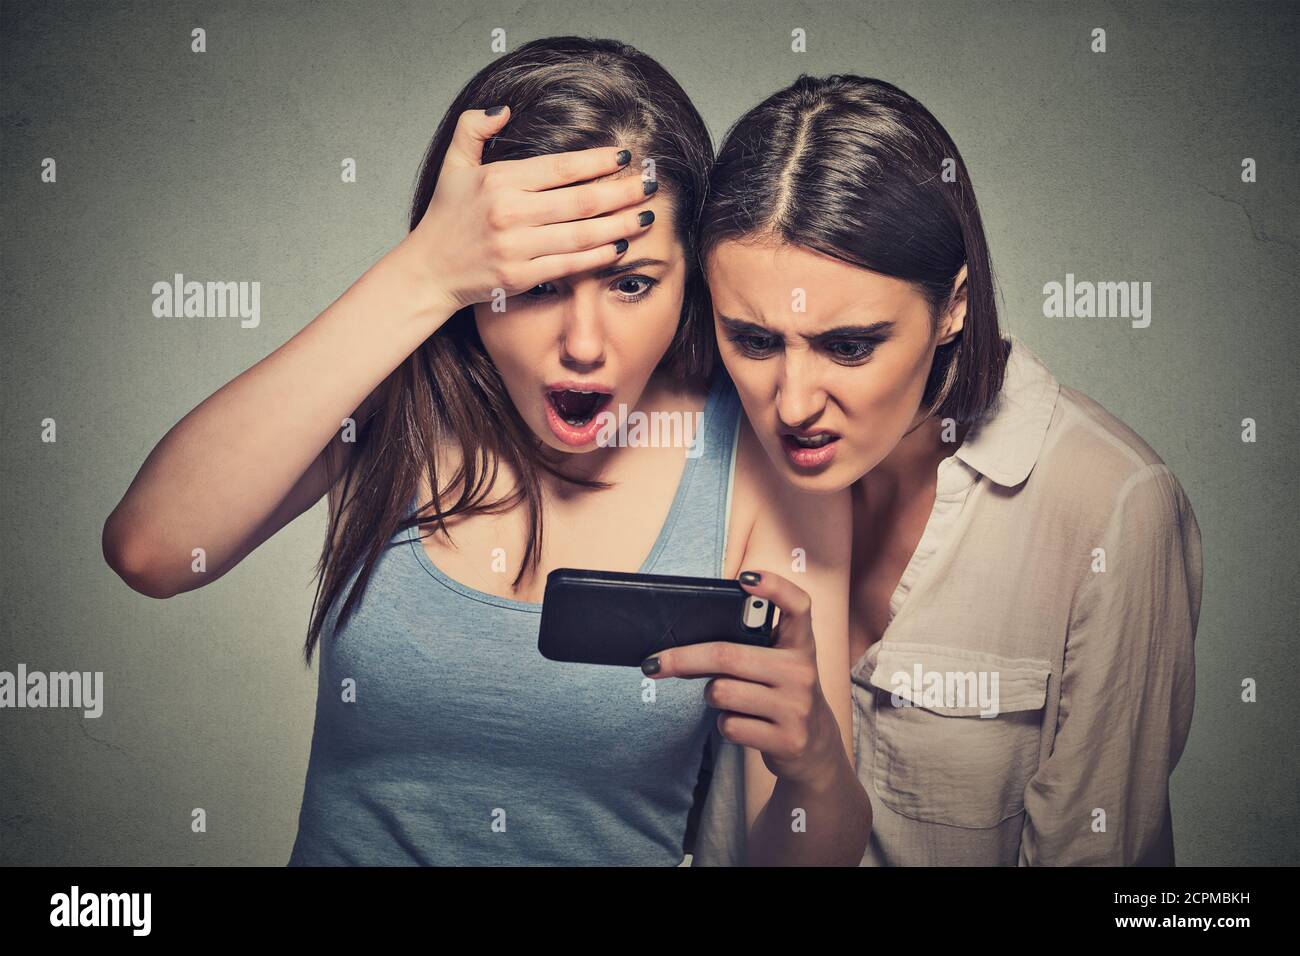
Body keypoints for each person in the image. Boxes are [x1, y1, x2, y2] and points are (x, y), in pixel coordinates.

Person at [102, 39, 869, 866]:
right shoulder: (392, 395)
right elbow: (152, 550)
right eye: (539, 284)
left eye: (633, 283)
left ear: (691, 281)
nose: (584, 344)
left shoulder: (761, 465)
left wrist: (816, 772)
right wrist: (423, 275)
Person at [692, 74, 1201, 866]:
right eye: (754, 341)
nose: (792, 405)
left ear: (955, 305)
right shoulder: (695, 445)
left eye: (849, 345)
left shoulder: (1112, 508)